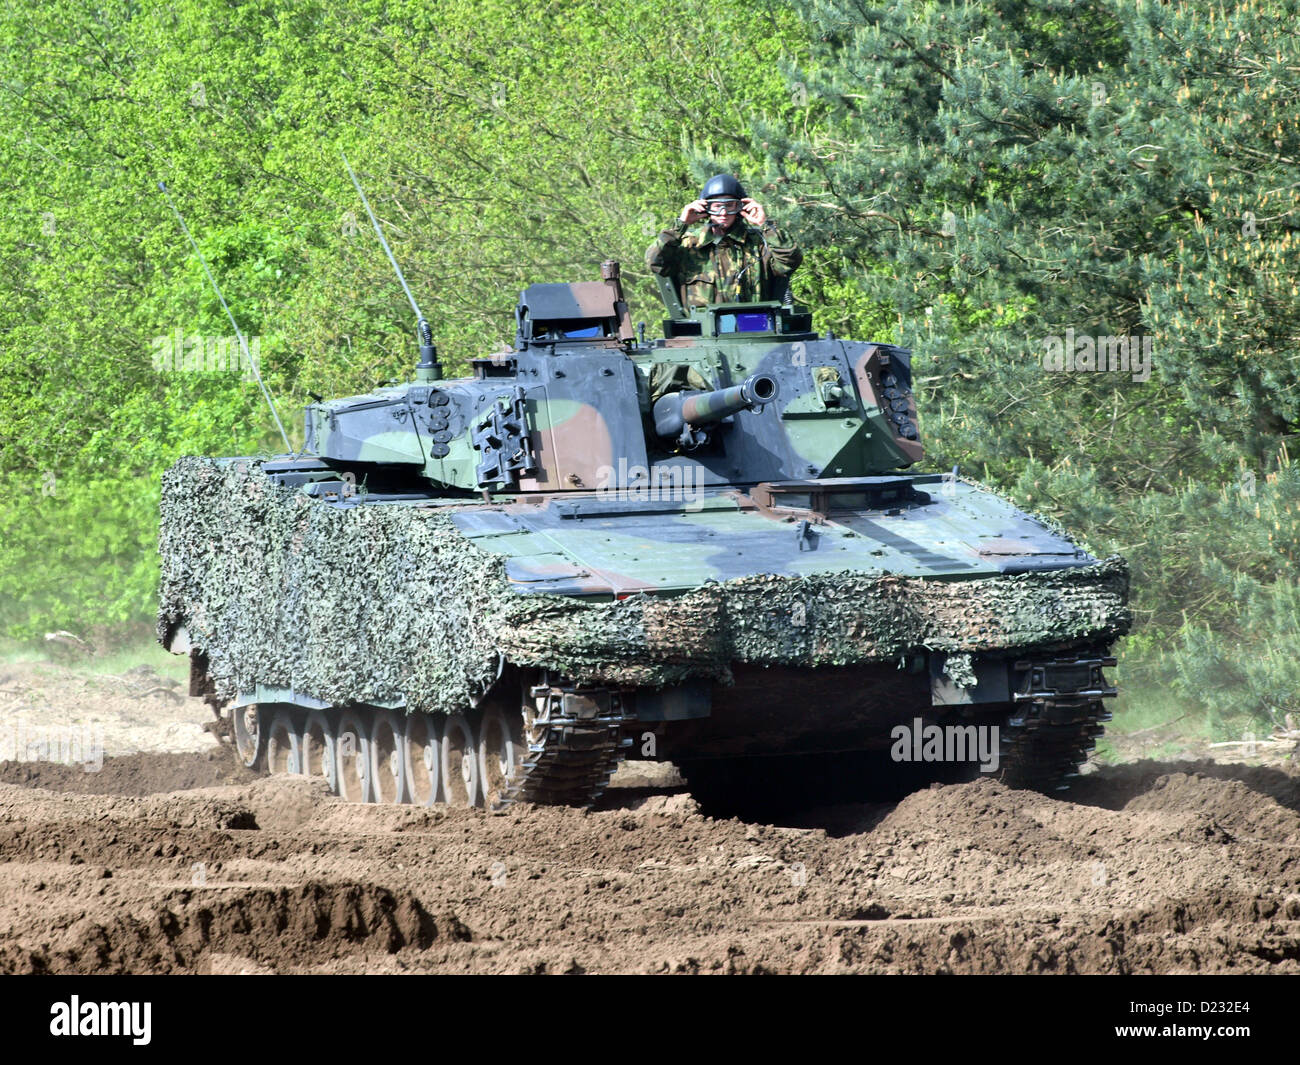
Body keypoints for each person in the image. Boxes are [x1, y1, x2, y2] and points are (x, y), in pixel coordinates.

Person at [645, 174, 802, 310]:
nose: (723, 212)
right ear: (705, 208)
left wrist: (766, 225)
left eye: (729, 205)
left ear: (741, 207)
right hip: (704, 335)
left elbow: (789, 261)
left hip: (754, 330)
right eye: (717, 206)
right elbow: (654, 262)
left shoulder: (759, 243)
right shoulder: (689, 245)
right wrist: (680, 225)